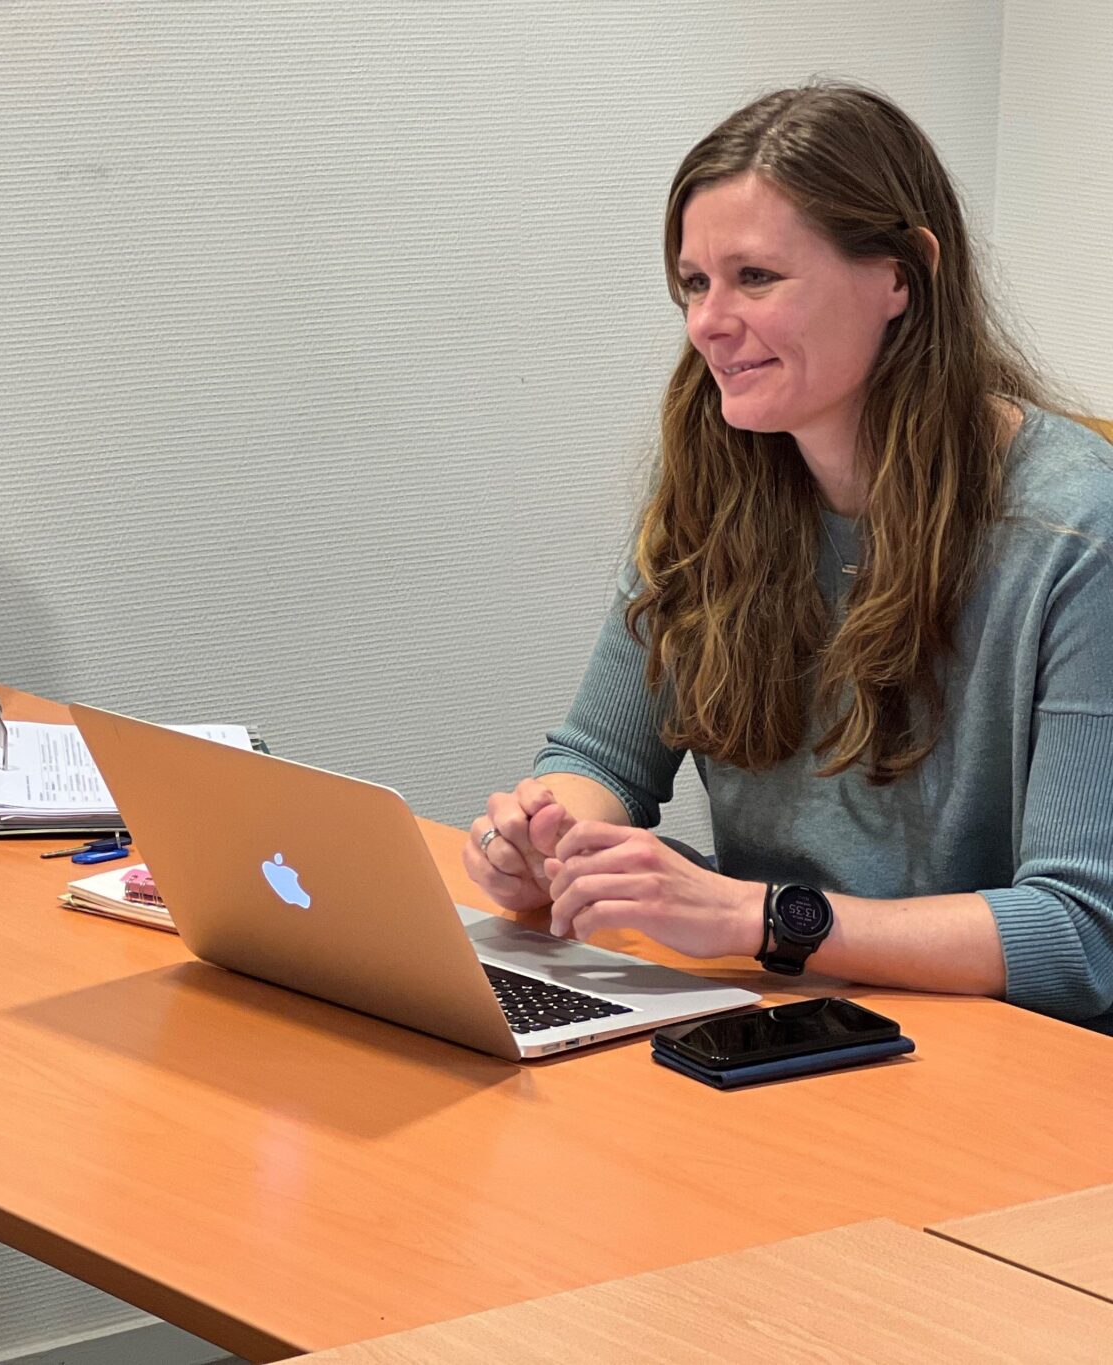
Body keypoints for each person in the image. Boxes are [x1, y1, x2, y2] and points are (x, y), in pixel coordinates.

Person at [463, 84, 1113, 1027]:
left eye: (756, 278)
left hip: (1001, 1067)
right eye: (695, 283)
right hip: (789, 1017)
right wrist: (540, 834)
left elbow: (1080, 935)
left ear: (903, 276)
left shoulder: (1077, 529)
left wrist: (759, 916)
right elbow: (600, 758)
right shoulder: (714, 487)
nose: (709, 324)